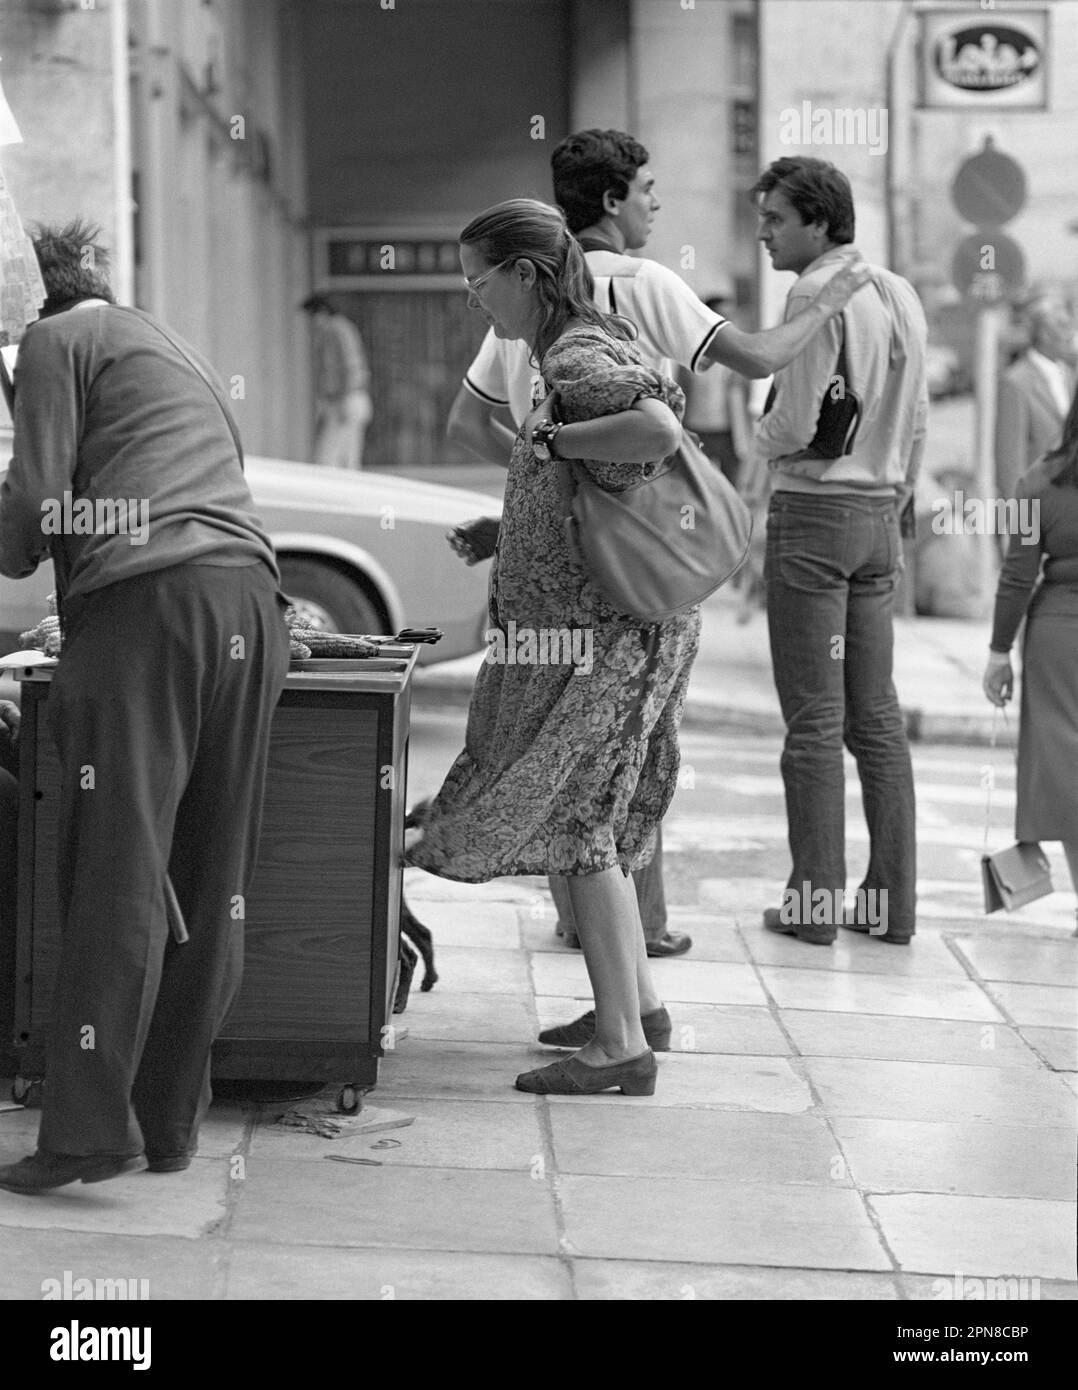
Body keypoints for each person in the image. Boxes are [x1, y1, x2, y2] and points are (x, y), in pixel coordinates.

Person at [447, 128, 867, 967]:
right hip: (636, 567)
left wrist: (547, 487)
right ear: (610, 200)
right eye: (646, 188)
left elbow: (471, 424)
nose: (655, 203)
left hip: (583, 592)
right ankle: (636, 957)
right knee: (608, 770)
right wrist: (824, 308)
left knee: (578, 772)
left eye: (474, 285)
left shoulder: (546, 318)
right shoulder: (635, 286)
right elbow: (750, 360)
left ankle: (616, 975)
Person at [0, 220, 290, 1193]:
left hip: (147, 611)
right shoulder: (157, 339)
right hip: (247, 602)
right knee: (213, 877)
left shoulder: (53, 339)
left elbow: (36, 510)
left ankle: (85, 1135)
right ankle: (167, 1125)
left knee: (117, 869)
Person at [408, 198, 696, 1096]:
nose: (473, 302)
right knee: (588, 825)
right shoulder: (572, 346)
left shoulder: (573, 355)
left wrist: (554, 436)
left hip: (610, 638)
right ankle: (633, 1009)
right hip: (599, 629)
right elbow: (601, 488)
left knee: (583, 825)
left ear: (524, 276)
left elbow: (655, 433)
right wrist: (513, 528)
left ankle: (622, 1050)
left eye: (477, 283)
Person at [753, 157, 927, 947]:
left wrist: (756, 446)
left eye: (776, 219)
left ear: (819, 223)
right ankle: (889, 908)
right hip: (880, 517)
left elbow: (792, 424)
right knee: (878, 721)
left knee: (814, 724)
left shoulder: (813, 295)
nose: (765, 233)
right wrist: (898, 488)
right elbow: (917, 419)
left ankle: (814, 906)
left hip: (815, 517)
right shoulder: (900, 293)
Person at [983, 381, 1078, 922]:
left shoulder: (1038, 481)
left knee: (1066, 772)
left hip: (1057, 638)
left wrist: (999, 652)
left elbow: (1017, 576)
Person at [995, 294, 1075, 504]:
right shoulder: (1015, 382)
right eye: (1064, 326)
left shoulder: (1068, 375)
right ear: (1043, 334)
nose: (1071, 334)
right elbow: (1010, 461)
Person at [681, 295, 754, 488]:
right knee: (699, 488)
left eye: (731, 317)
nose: (727, 323)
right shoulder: (688, 353)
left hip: (730, 434)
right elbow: (680, 391)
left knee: (732, 490)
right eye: (721, 316)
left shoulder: (740, 355)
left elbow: (747, 400)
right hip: (696, 431)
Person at [302, 293, 373, 470]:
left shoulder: (336, 330)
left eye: (314, 316)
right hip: (348, 398)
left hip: (345, 400)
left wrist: (343, 399)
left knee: (326, 458)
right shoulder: (341, 329)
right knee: (348, 459)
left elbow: (348, 366)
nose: (313, 322)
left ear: (322, 312)